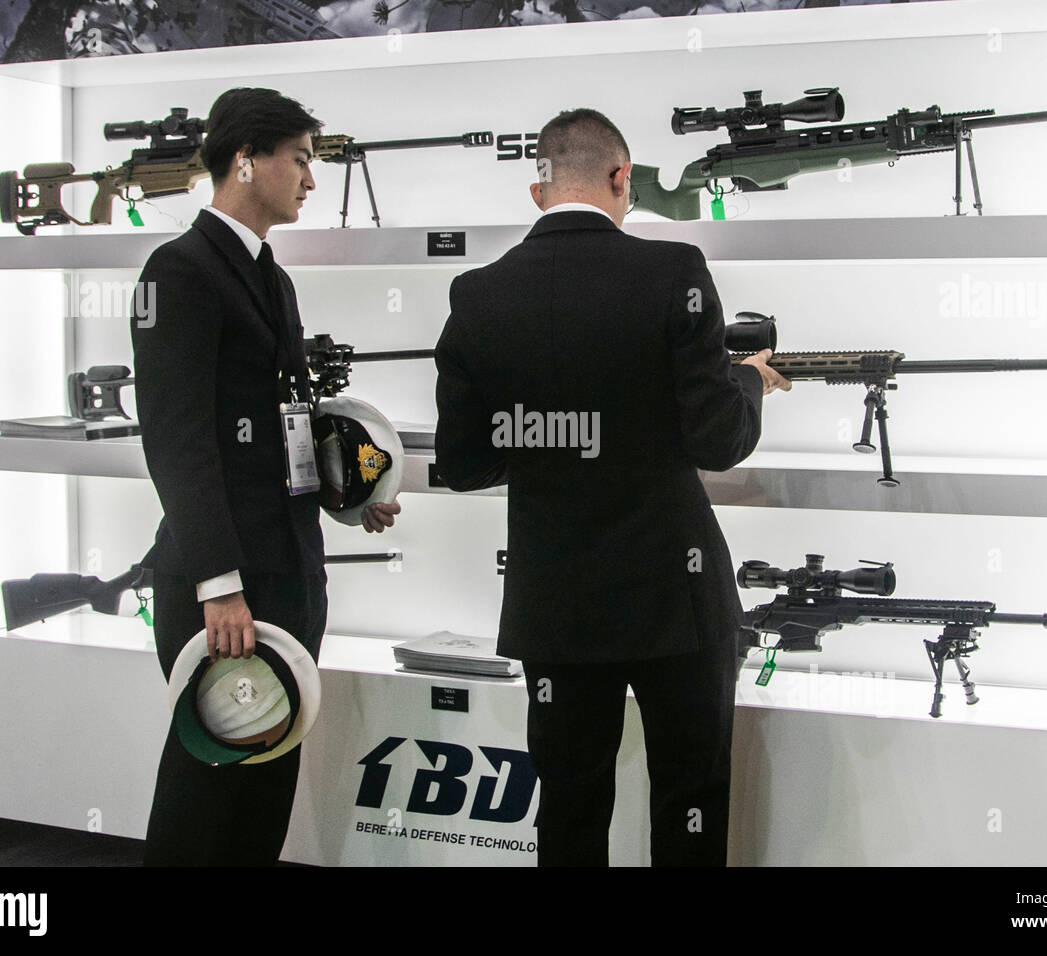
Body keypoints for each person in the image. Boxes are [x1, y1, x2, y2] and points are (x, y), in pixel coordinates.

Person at [434, 108, 790, 866]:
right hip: (676, 595)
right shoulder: (673, 273)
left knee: (569, 808)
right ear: (622, 177)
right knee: (688, 803)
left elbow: (463, 463)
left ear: (540, 190)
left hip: (557, 600)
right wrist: (746, 381)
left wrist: (543, 439)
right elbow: (717, 440)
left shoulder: (478, 294)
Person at [130, 87, 400, 866]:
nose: (313, 180)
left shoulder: (270, 276)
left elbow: (282, 420)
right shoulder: (177, 271)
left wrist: (354, 495)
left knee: (265, 786)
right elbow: (177, 442)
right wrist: (218, 583)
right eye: (303, 160)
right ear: (246, 159)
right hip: (224, 585)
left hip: (287, 571)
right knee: (206, 786)